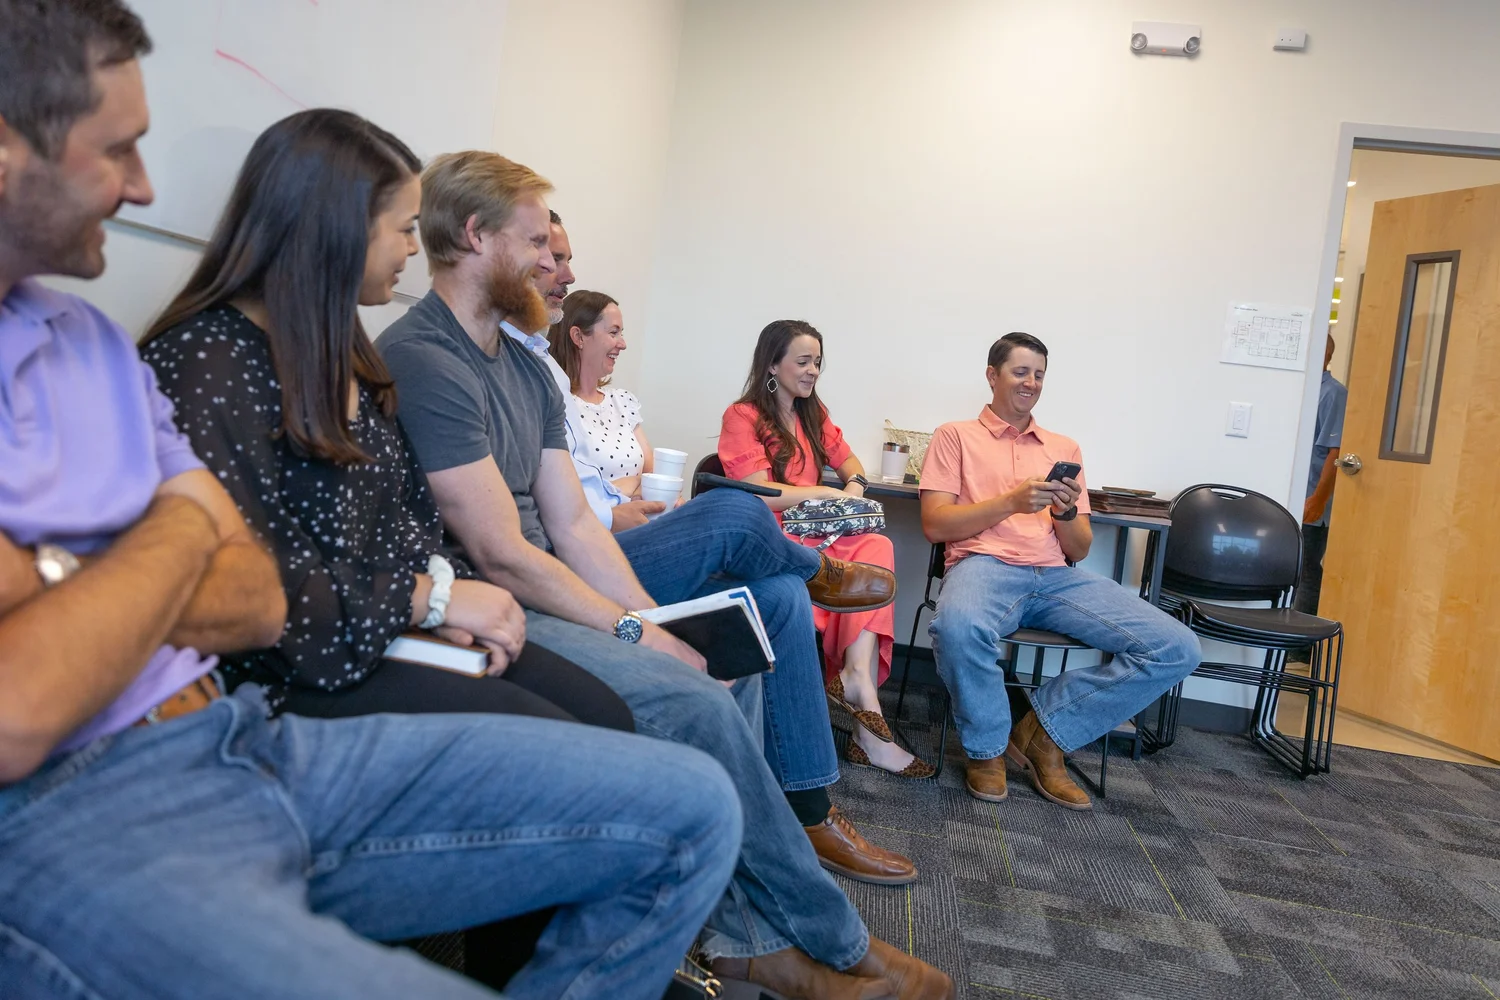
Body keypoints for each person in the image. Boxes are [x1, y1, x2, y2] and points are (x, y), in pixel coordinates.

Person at [0, 5, 746, 998]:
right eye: (120, 148)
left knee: (694, 794)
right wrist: (191, 544)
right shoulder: (204, 359)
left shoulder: (89, 342)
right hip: (150, 760)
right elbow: (39, 695)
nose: (145, 183)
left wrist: (66, 576)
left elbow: (259, 584)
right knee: (610, 711)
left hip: (232, 730)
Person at [378, 151, 954, 999]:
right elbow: (502, 552)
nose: (552, 261)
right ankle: (831, 941)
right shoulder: (426, 357)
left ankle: (748, 936)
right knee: (707, 626)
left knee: (749, 637)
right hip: (492, 604)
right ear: (475, 236)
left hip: (550, 577)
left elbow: (571, 521)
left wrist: (661, 623)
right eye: (538, 241)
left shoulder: (524, 367)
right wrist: (634, 632)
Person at [922, 333, 1202, 811]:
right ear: (992, 376)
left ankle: (1044, 732)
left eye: (1039, 374)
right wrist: (1010, 502)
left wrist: (1066, 514)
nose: (1031, 382)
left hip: (1053, 576)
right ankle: (987, 750)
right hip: (983, 566)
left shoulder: (1063, 446)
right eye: (1020, 371)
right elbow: (934, 525)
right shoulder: (955, 436)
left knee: (1177, 647)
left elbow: (1079, 547)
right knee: (956, 626)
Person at [720, 320, 929, 779]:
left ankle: (856, 678)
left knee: (876, 543)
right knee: (864, 556)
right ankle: (864, 713)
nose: (813, 370)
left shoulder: (814, 414)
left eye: (818, 362)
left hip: (816, 530)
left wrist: (851, 484)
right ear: (773, 363)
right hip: (771, 533)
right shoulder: (743, 416)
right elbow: (758, 490)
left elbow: (851, 464)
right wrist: (826, 494)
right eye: (803, 361)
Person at [547, 289, 658, 516]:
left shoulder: (623, 401)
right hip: (594, 524)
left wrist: (635, 482)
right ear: (578, 337)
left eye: (621, 333)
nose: (623, 344)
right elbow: (563, 488)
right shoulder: (556, 403)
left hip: (640, 520)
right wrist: (627, 487)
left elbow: (652, 473)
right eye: (613, 333)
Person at [1296, 332, 1346, 620]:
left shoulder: (1333, 393)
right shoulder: (1303, 391)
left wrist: (1318, 499)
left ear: (1327, 355)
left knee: (1307, 567)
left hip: (1312, 499)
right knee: (1296, 565)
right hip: (1293, 494)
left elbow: (1336, 452)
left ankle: (1300, 649)